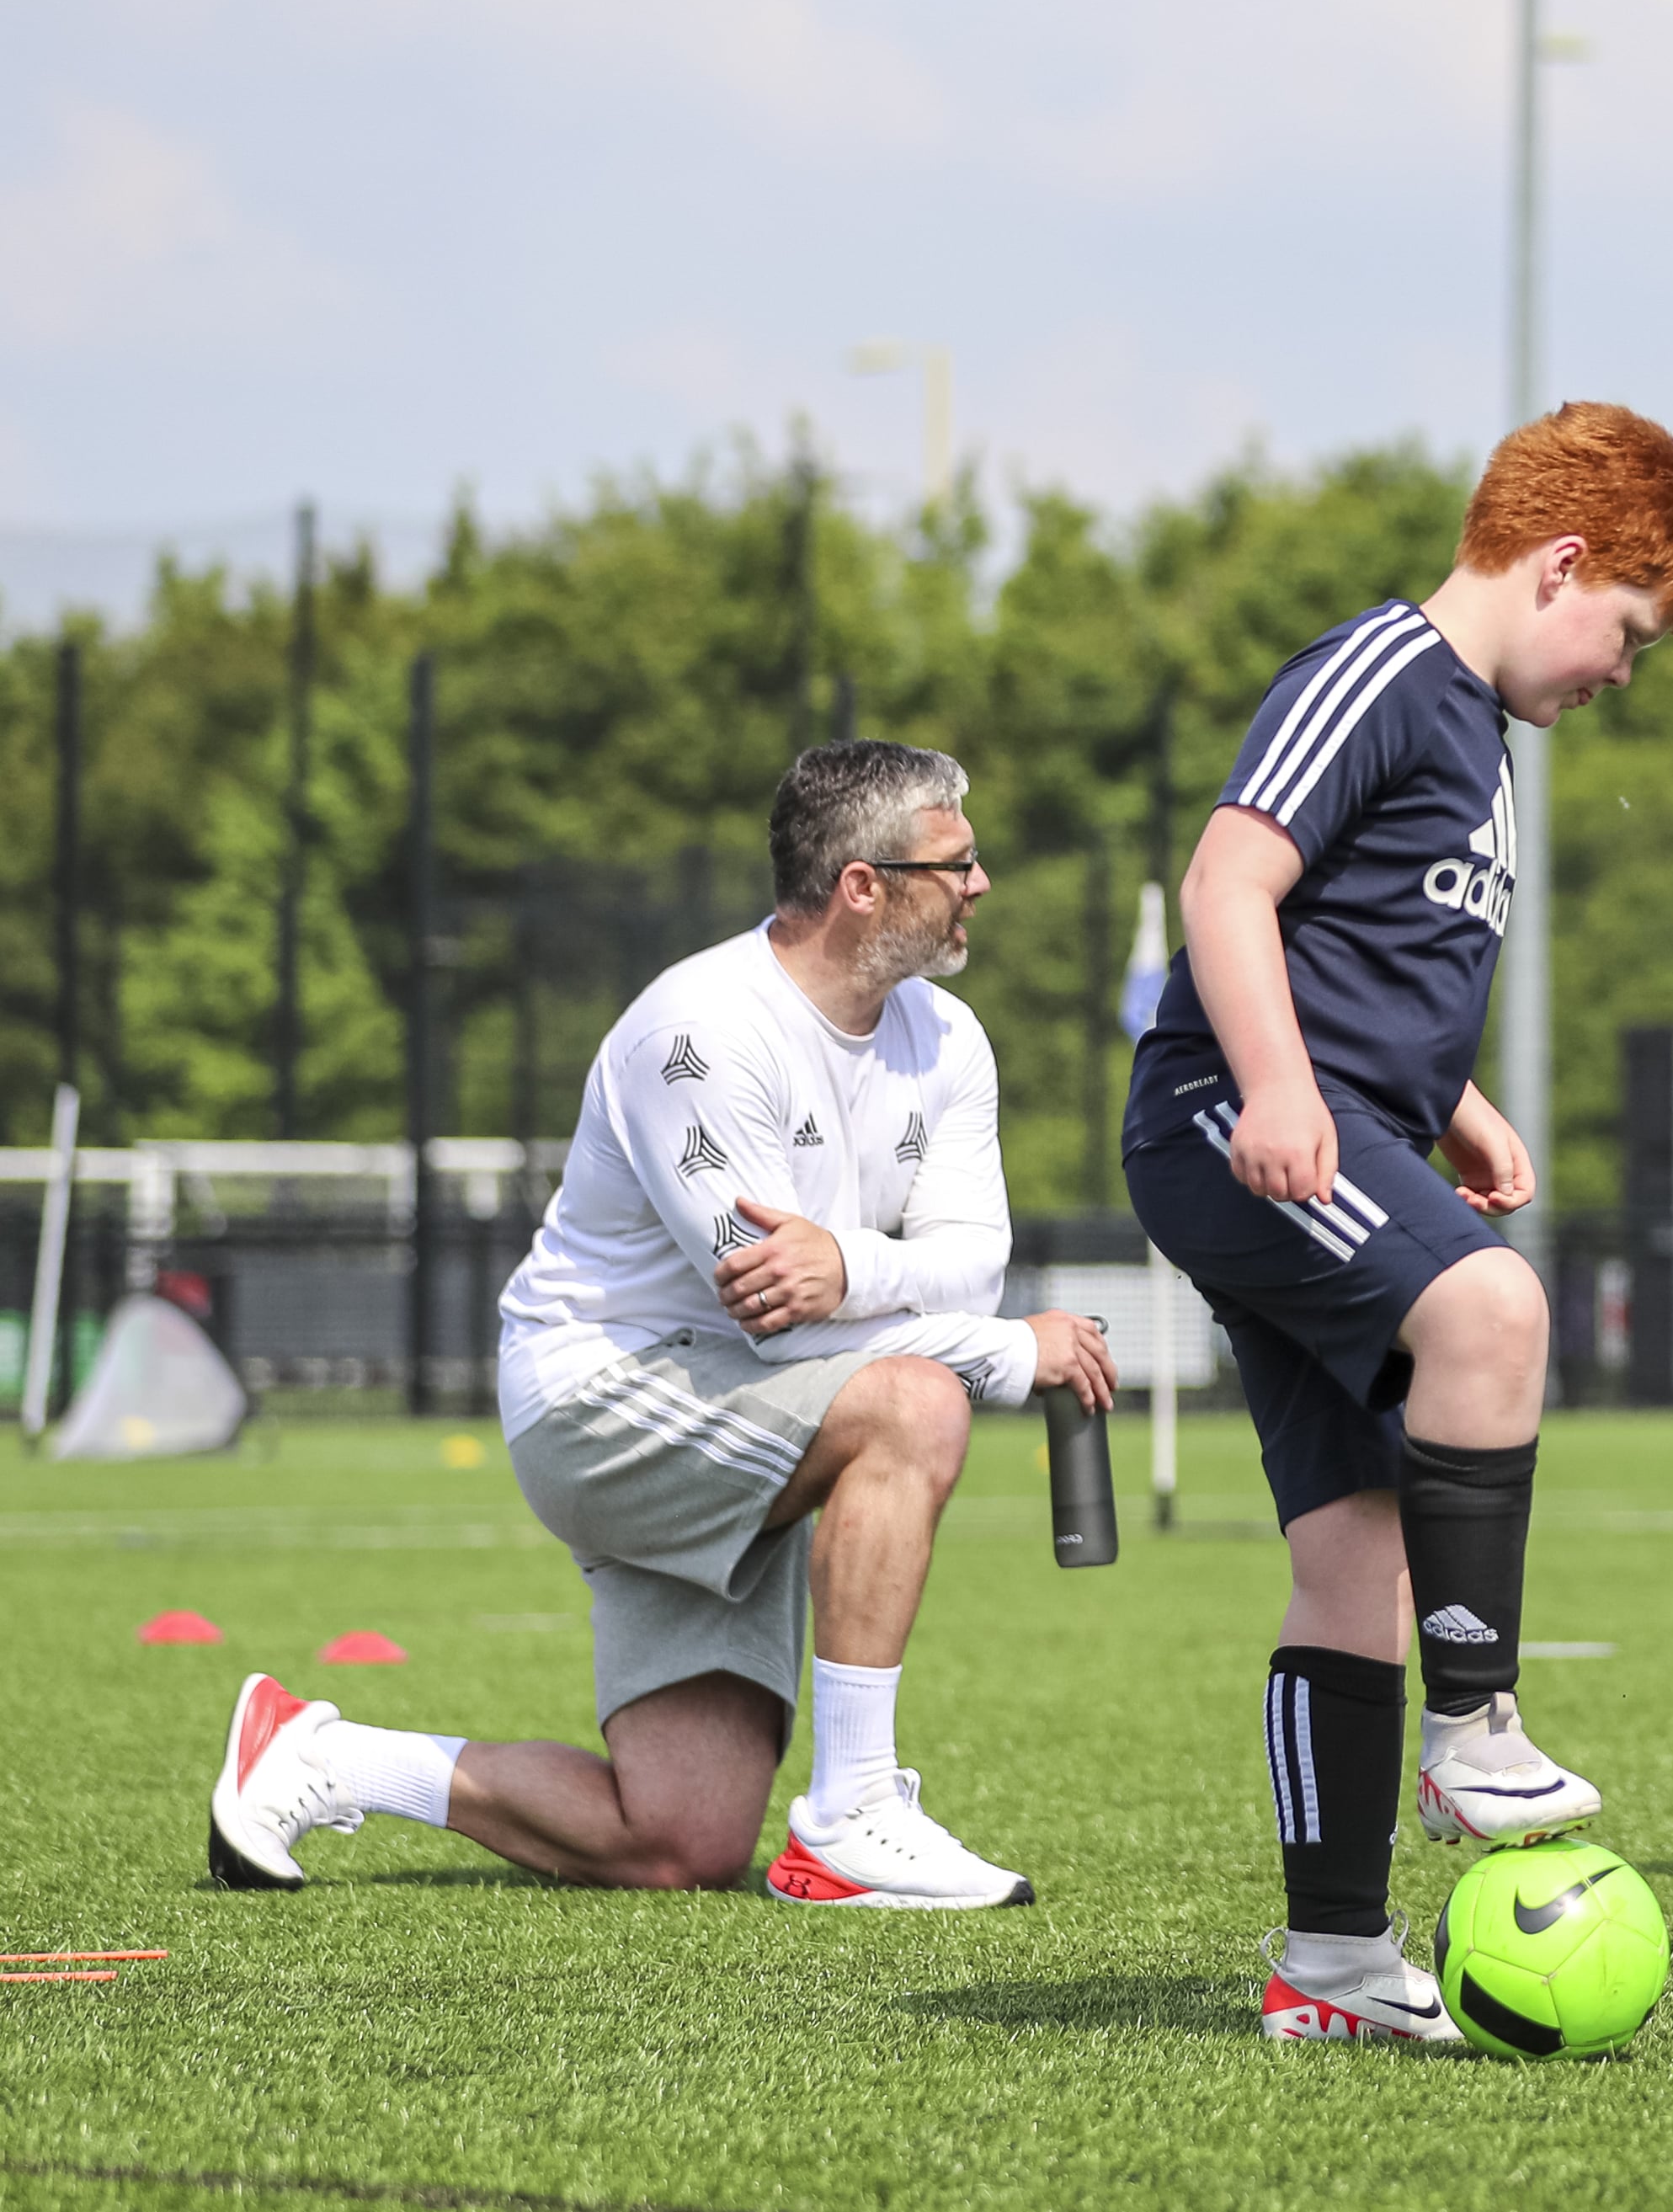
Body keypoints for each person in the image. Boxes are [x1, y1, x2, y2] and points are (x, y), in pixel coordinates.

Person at [207, 741, 1119, 1908]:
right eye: (956, 860)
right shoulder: (693, 1033)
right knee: (917, 1402)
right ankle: (853, 1815)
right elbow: (801, 1329)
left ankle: (320, 1754)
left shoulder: (948, 1039)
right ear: (861, 885)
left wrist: (845, 1265)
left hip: (745, 1410)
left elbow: (971, 1261)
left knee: (678, 1840)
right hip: (602, 1396)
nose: (981, 883)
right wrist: (1002, 1351)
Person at [1124, 402, 1673, 2048]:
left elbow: (1369, 954)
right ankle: (1476, 1727)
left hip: (1338, 1128)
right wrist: (1275, 1090)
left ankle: (1328, 1968)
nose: (1620, 672)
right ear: (1560, 562)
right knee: (1495, 1315)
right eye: (1628, 633)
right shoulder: (1380, 672)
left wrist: (1448, 1109)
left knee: (1352, 1563)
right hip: (1223, 1125)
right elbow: (1228, 880)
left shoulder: (1479, 735)